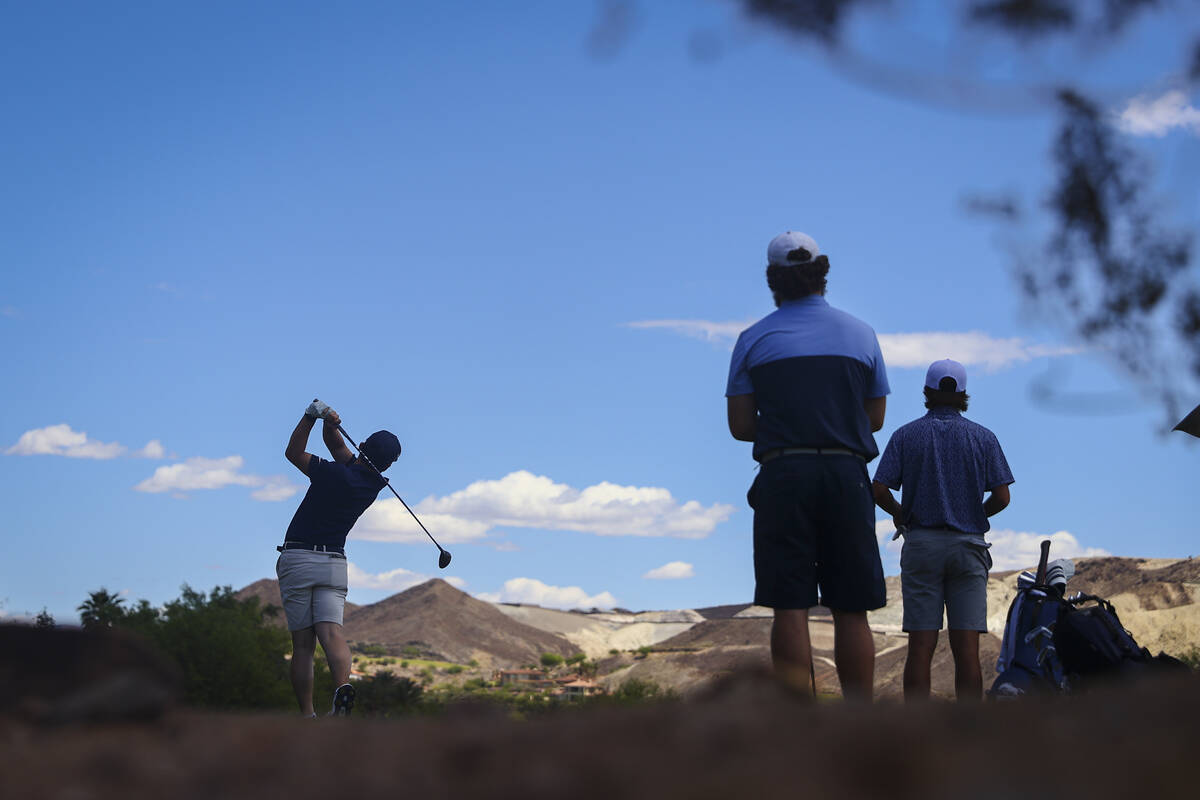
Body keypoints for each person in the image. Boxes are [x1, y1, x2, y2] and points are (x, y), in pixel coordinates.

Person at [726, 231, 890, 700]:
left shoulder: (753, 338)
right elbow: (875, 418)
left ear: (772, 279)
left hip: (784, 474)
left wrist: (791, 426)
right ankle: (859, 718)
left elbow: (740, 425)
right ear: (823, 273)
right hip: (845, 474)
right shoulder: (861, 333)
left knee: (789, 606)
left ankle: (798, 721)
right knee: (851, 607)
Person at [871, 359, 1014, 701]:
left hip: (922, 545)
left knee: (921, 646)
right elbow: (1003, 496)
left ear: (928, 391)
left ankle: (917, 732)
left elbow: (878, 489)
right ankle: (968, 732)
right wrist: (977, 513)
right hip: (968, 548)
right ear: (963, 393)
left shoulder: (906, 435)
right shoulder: (984, 437)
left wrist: (900, 513)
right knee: (966, 648)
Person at [279, 399, 401, 717]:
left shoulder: (334, 474)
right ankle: (342, 686)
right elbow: (337, 447)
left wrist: (309, 417)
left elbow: (293, 454)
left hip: (299, 558)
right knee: (332, 633)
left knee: (303, 646)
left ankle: (307, 714)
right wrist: (330, 424)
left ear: (361, 446)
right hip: (334, 565)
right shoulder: (373, 483)